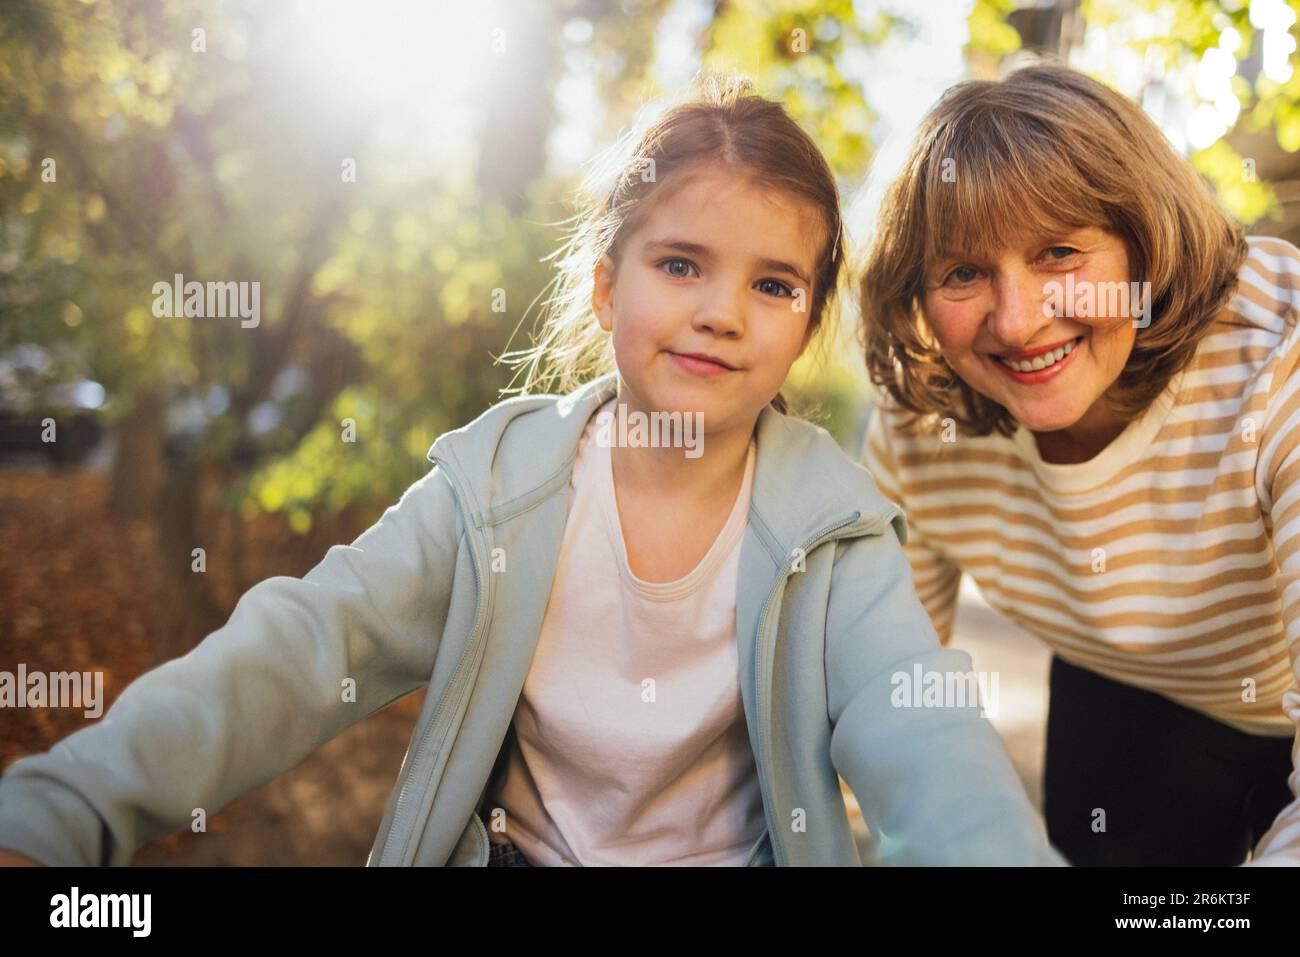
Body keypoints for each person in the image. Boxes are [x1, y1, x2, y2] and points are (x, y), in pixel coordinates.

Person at [0, 75, 1061, 868]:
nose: (721, 311)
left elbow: (928, 741)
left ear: (803, 330)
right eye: (680, 263)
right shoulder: (497, 489)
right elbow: (298, 650)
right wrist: (62, 813)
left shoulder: (838, 530)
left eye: (773, 284)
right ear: (606, 289)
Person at [859, 60, 1300, 866]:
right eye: (963, 271)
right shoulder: (926, 425)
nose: (1020, 322)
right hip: (1127, 693)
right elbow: (900, 693)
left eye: (1060, 251)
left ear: (1145, 241)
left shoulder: (1279, 364)